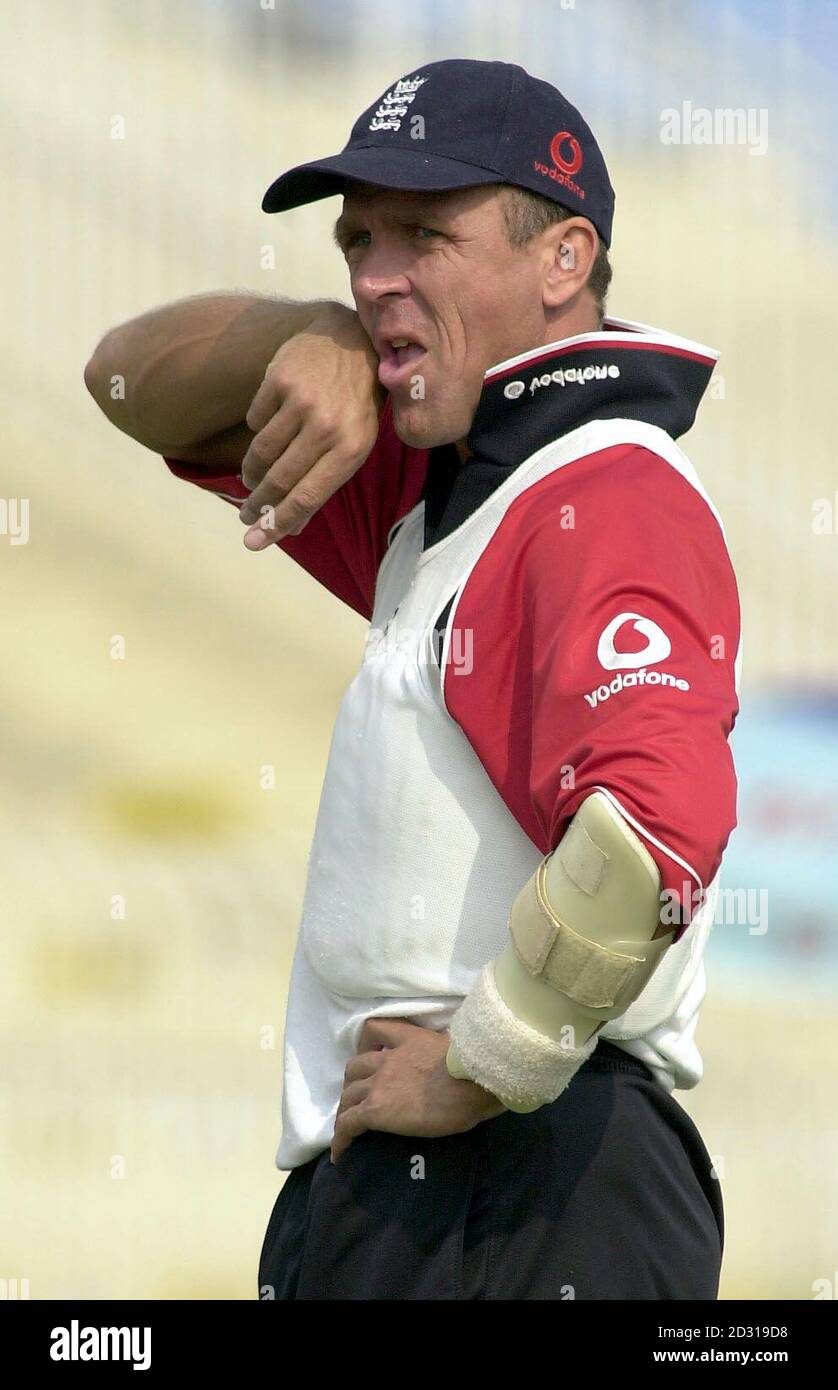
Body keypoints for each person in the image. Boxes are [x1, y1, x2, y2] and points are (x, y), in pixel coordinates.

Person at [84, 58, 741, 1300]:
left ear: (564, 261)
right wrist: (312, 334)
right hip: (459, 1189)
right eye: (358, 241)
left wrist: (486, 1059)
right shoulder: (450, 491)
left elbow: (657, 829)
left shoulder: (600, 486)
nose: (378, 274)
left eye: (426, 236)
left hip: (527, 1175)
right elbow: (125, 381)